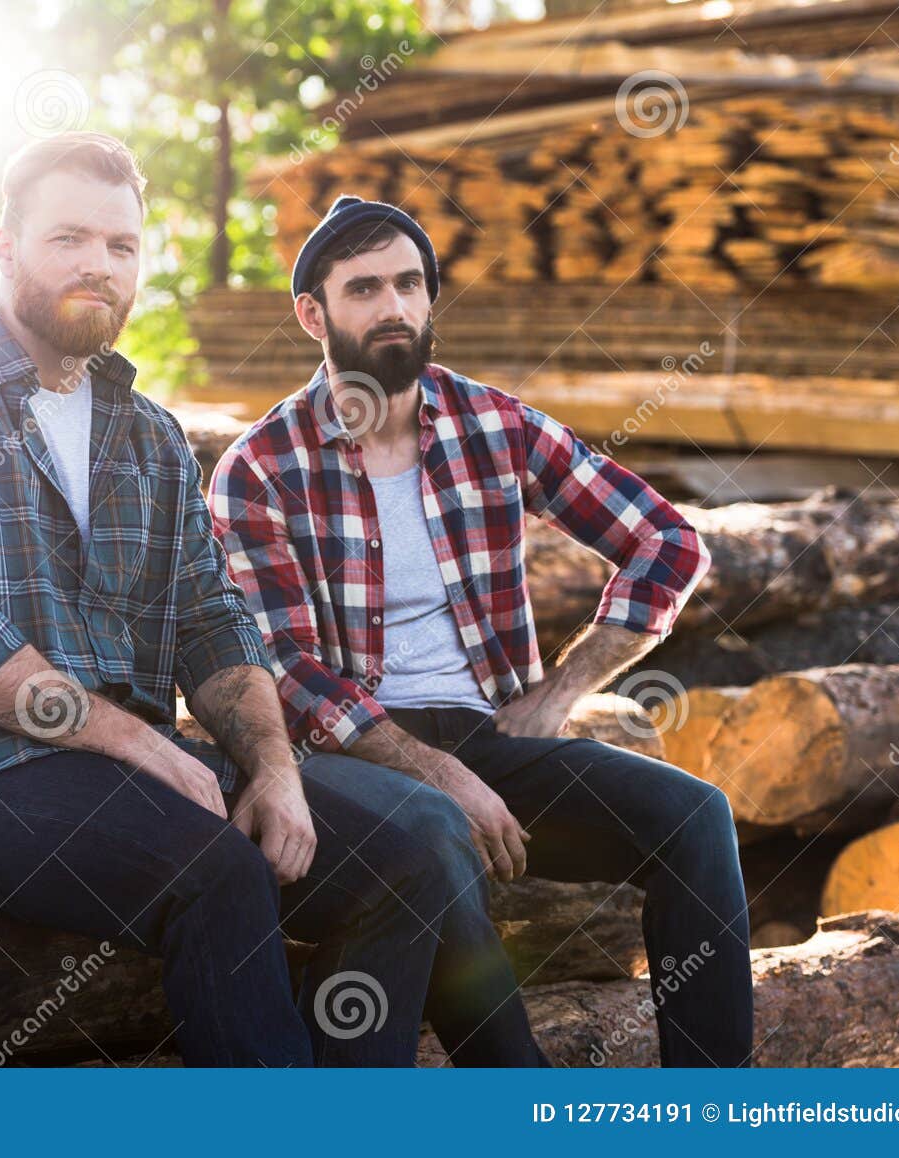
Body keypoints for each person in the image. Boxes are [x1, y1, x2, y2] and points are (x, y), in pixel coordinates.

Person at [0, 136, 452, 1066]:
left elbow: (211, 619)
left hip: (123, 775)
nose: (98, 265)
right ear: (5, 247)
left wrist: (275, 772)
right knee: (216, 873)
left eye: (122, 246)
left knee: (406, 861)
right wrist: (145, 745)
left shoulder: (149, 433)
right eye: (68, 238)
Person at [206, 194, 755, 1067]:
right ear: (313, 314)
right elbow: (284, 667)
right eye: (364, 289)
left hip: (491, 737)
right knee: (430, 839)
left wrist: (561, 692)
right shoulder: (260, 468)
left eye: (409, 285)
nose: (393, 307)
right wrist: (432, 771)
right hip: (345, 764)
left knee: (695, 817)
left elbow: (667, 542)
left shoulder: (494, 425)